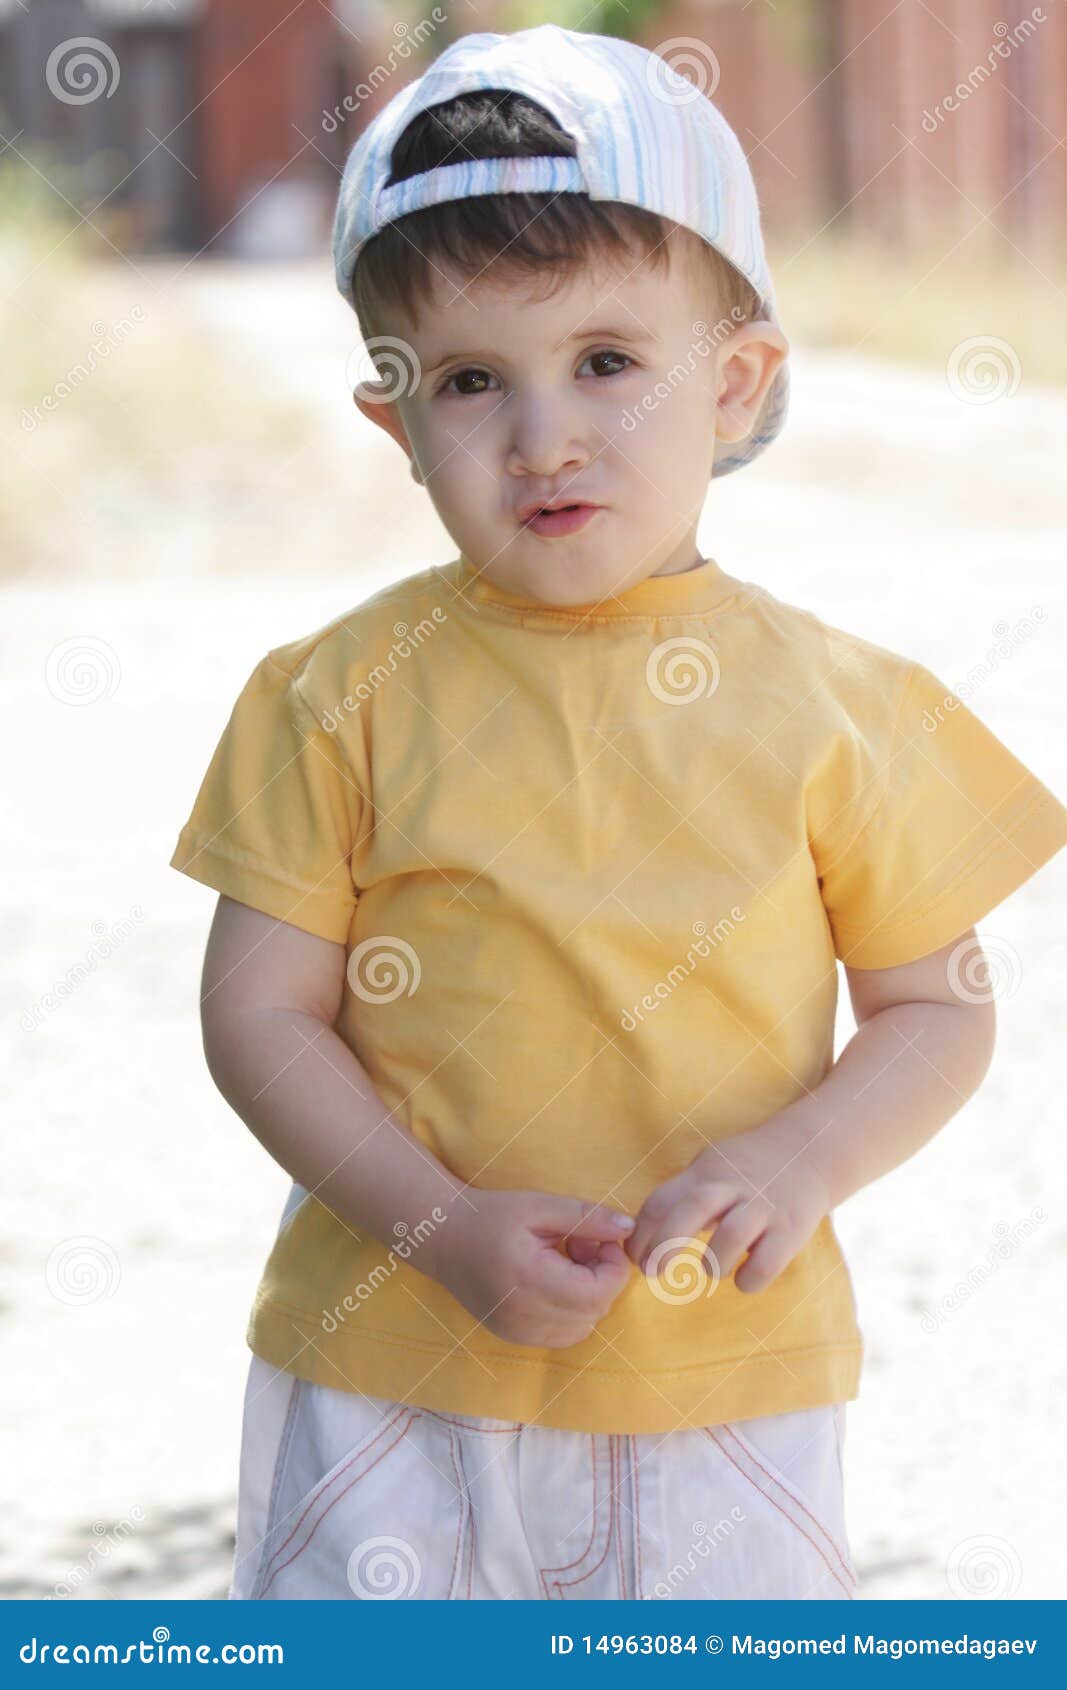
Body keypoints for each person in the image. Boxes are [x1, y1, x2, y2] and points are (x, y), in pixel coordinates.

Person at [169, 25, 1067, 1601]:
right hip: (386, 1371)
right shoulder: (334, 693)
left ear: (733, 382)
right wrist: (436, 1224)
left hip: (723, 1389)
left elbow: (940, 1007)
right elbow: (259, 1016)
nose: (544, 437)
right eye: (470, 380)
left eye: (605, 359)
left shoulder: (847, 701)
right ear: (395, 420)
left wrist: (802, 1162)